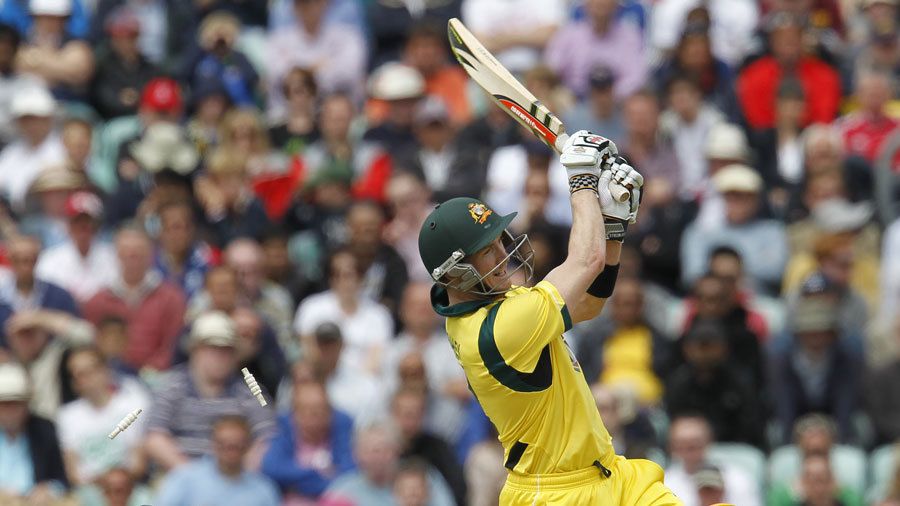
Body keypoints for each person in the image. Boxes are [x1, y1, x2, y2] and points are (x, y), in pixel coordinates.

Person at [417, 130, 677, 503]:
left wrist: (612, 227)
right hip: (555, 494)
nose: (503, 254)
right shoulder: (499, 329)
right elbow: (587, 262)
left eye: (498, 242)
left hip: (611, 473)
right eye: (487, 251)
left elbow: (588, 303)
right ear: (454, 273)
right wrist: (582, 181)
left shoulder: (495, 305)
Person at [144, 311, 275, 471]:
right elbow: (154, 438)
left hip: (234, 481)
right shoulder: (170, 386)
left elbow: (268, 438)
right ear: (195, 350)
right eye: (212, 348)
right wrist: (195, 478)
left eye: (226, 350)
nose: (220, 356)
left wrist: (239, 475)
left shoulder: (250, 391)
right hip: (177, 479)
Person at [81, 226, 186, 371]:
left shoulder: (171, 298)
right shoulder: (98, 302)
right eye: (127, 254)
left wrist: (154, 368)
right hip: (110, 375)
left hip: (160, 377)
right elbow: (92, 343)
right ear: (117, 256)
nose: (132, 260)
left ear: (150, 256)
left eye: (137, 255)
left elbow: (172, 344)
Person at [57, 346, 150, 486]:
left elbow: (138, 465)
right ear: (74, 382)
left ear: (105, 370)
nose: (87, 378)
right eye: (79, 374)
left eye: (91, 370)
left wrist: (114, 480)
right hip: (90, 490)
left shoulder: (132, 404)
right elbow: (73, 473)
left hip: (128, 486)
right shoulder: (67, 416)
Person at [261, 380, 355, 504]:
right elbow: (272, 469)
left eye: (322, 411)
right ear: (294, 414)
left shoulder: (342, 425)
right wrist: (321, 474)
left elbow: (349, 475)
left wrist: (295, 484)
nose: (316, 418)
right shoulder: (282, 429)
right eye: (308, 411)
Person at [321, 421, 455, 506]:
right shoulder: (342, 491)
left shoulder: (423, 477)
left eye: (383, 450)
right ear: (356, 455)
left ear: (397, 450)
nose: (376, 458)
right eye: (369, 451)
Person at [155, 415, 280, 506]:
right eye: (224, 445)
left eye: (236, 446)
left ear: (247, 446)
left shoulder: (264, 489)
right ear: (213, 444)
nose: (230, 452)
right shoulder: (184, 478)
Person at [0, 361, 68, 503]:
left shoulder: (44, 430)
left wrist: (50, 489)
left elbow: (62, 479)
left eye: (16, 403)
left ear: (27, 404)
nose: (10, 411)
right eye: (4, 404)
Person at [35, 190, 118, 303]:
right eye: (77, 221)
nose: (83, 227)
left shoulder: (114, 257)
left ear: (97, 225)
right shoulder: (49, 260)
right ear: (68, 224)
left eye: (88, 221)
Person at [663, 415, 761, 506]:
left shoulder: (737, 480)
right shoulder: (665, 485)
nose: (688, 453)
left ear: (708, 442)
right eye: (680, 446)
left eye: (694, 446)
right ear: (671, 448)